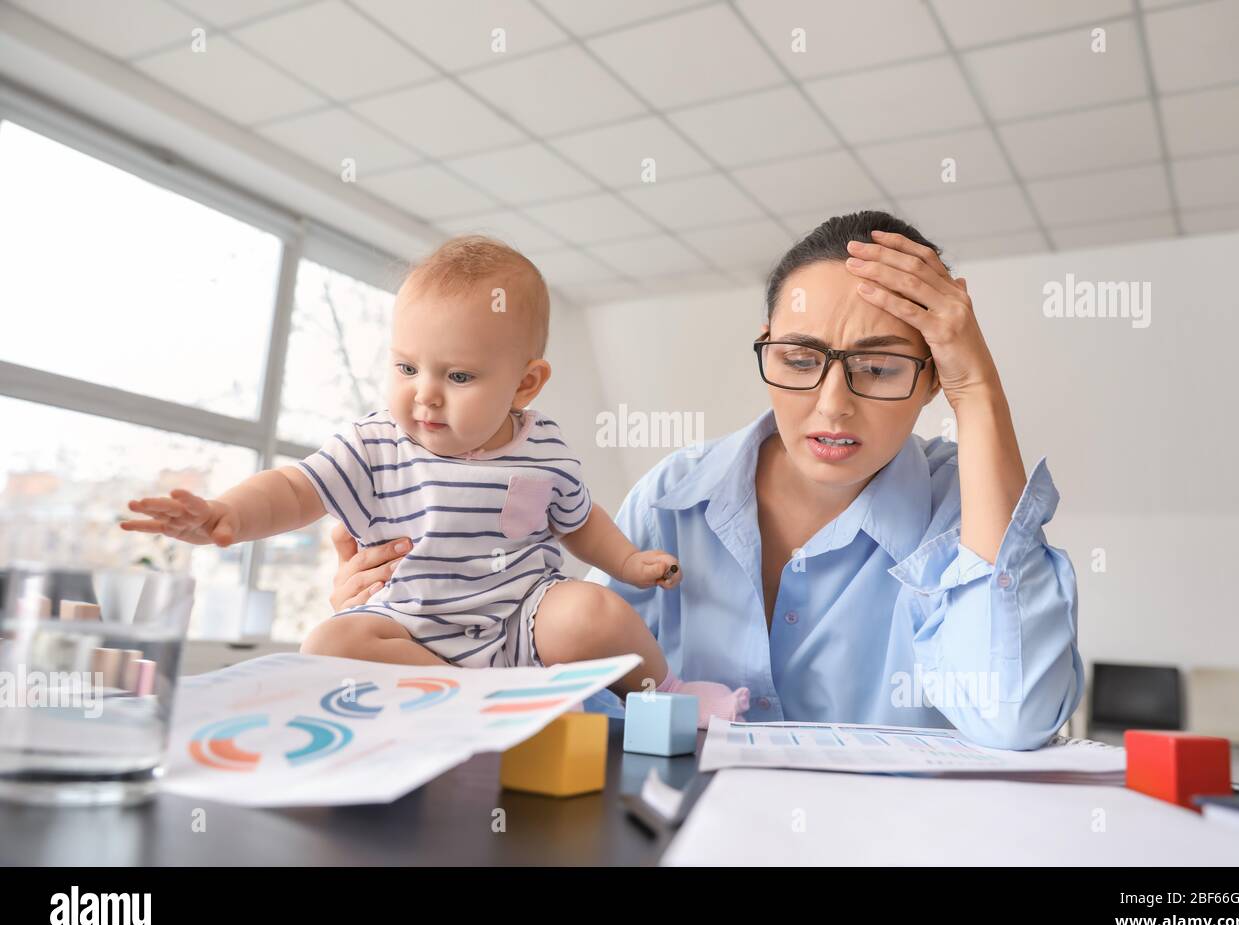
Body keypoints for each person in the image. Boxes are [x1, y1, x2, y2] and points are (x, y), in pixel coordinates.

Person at [330, 211, 1083, 750]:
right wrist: (408, 614)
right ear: (766, 350)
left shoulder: (965, 503)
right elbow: (569, 684)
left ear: (929, 384)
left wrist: (978, 389)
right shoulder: (671, 496)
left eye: (880, 368)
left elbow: (1013, 714)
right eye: (797, 359)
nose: (832, 404)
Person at [121, 236, 750, 727]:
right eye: (406, 366)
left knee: (593, 610)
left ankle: (668, 696)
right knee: (329, 643)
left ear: (524, 384)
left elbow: (580, 521)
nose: (423, 393)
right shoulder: (376, 442)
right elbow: (294, 488)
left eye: (458, 377)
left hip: (522, 624)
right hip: (412, 633)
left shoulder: (545, 447)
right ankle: (472, 698)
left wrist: (630, 560)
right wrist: (227, 514)